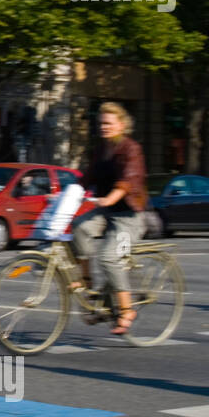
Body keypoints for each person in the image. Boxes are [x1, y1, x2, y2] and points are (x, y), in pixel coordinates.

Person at [70, 101, 147, 335]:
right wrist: (69, 192)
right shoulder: (102, 149)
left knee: (108, 257)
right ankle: (87, 279)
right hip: (107, 212)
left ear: (121, 125)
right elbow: (88, 177)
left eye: (108, 123)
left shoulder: (130, 148)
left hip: (128, 216)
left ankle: (126, 309)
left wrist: (111, 198)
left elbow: (129, 179)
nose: (103, 127)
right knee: (79, 227)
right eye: (100, 123)